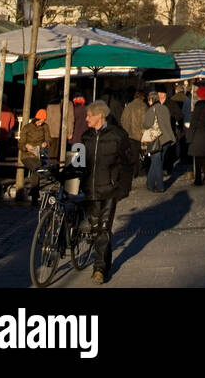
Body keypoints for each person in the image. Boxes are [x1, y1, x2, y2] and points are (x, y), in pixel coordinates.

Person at [81, 99, 133, 284]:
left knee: (103, 229)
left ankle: (99, 269)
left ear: (99, 117)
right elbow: (79, 163)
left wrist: (123, 188)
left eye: (89, 115)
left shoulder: (118, 136)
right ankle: (105, 263)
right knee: (96, 230)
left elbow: (130, 162)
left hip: (109, 190)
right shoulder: (86, 137)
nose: (86, 118)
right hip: (90, 190)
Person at [143, 89, 175, 193]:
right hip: (167, 139)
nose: (148, 102)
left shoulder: (151, 110)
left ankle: (160, 186)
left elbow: (146, 124)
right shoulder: (165, 108)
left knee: (156, 163)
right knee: (156, 162)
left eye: (149, 100)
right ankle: (150, 184)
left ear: (152, 100)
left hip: (156, 139)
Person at [120, 88, 148, 183]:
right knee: (142, 153)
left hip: (130, 135)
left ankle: (134, 171)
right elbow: (146, 121)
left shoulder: (129, 106)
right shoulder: (144, 106)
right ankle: (140, 169)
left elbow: (123, 120)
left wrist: (126, 131)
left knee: (133, 154)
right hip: (141, 135)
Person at [18, 109, 49, 190]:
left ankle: (34, 193)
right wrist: (26, 146)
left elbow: (49, 140)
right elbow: (20, 143)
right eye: (41, 120)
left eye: (43, 120)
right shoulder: (27, 127)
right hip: (27, 155)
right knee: (36, 167)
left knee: (37, 167)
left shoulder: (45, 127)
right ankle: (34, 193)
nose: (42, 122)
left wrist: (45, 143)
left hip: (39, 154)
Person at [44, 96, 74, 166]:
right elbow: (70, 118)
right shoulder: (68, 103)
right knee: (60, 155)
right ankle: (57, 170)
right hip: (62, 132)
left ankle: (50, 169)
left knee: (51, 154)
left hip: (51, 132)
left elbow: (47, 119)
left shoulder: (51, 103)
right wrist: (70, 132)